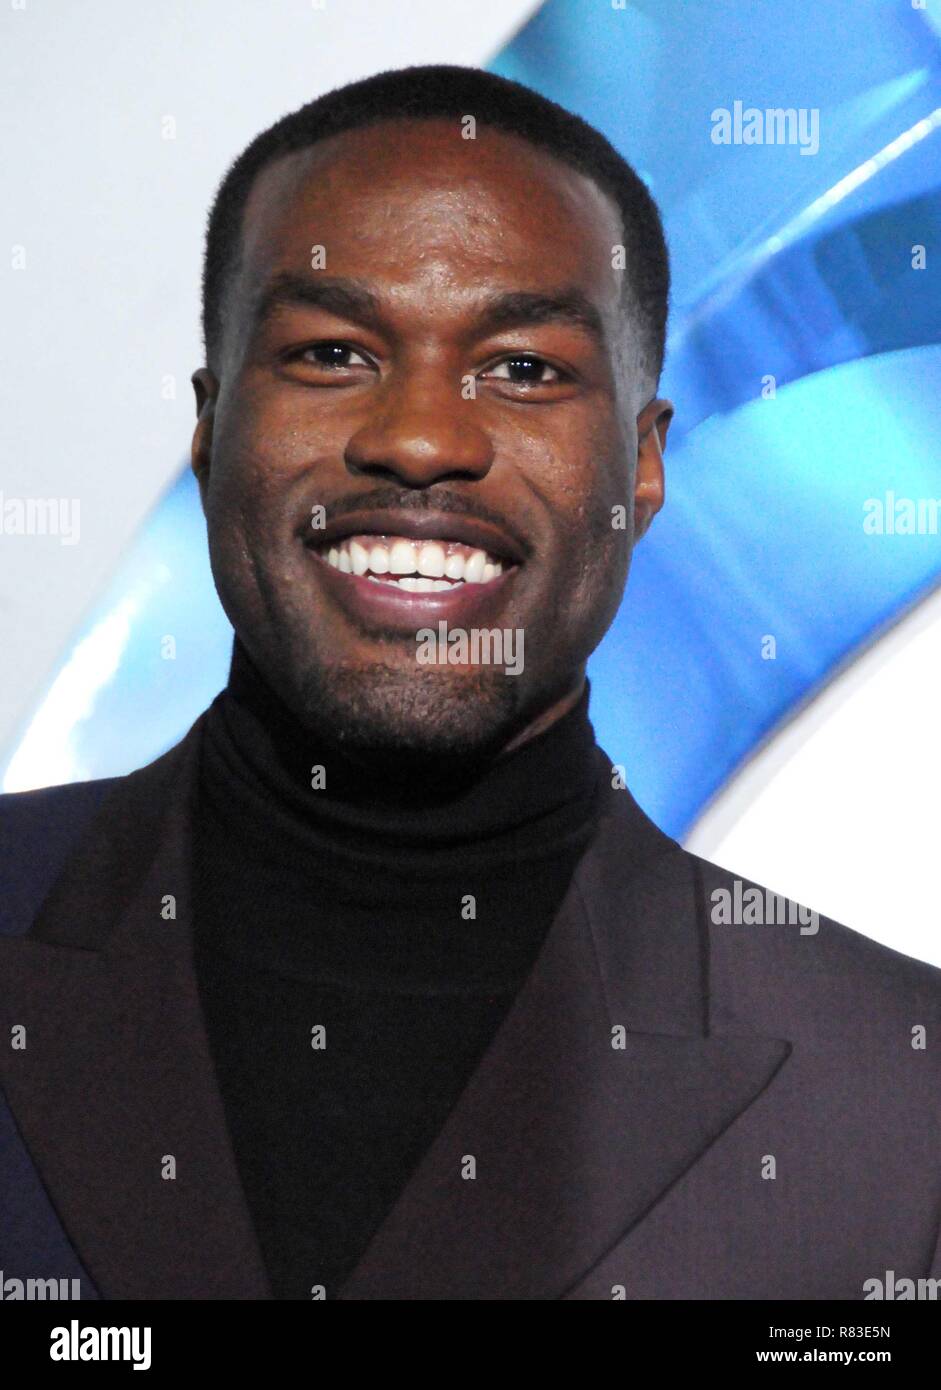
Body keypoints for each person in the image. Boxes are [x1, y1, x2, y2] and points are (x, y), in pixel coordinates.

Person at [1, 64, 939, 1302]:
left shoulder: (894, 1102)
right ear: (211, 424)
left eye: (525, 369)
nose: (423, 438)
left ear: (643, 464)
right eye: (332, 351)